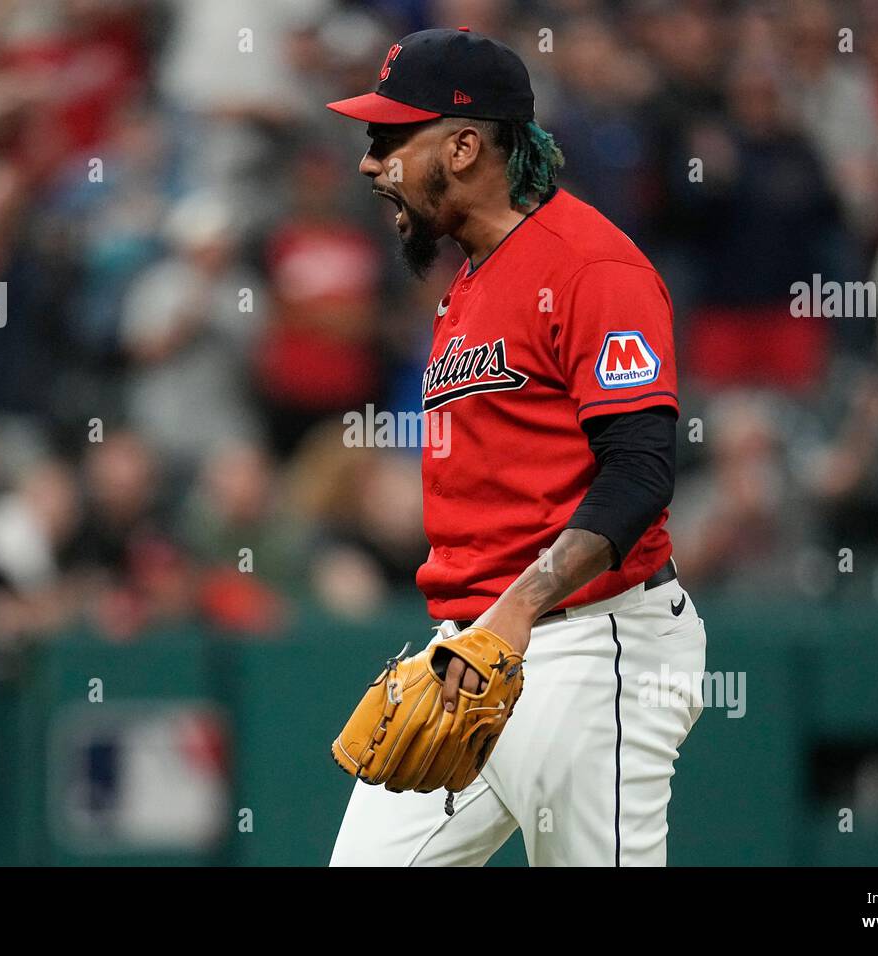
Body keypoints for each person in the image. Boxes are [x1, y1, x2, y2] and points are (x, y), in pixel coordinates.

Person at [324, 27, 706, 867]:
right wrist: (485, 627)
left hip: (595, 643)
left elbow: (640, 472)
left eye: (388, 138)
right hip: (476, 653)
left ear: (463, 146)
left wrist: (515, 611)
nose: (368, 163)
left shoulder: (592, 265)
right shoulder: (470, 281)